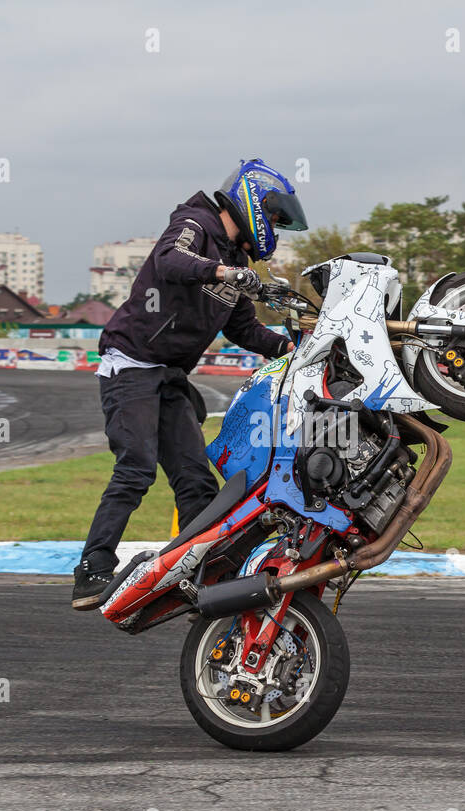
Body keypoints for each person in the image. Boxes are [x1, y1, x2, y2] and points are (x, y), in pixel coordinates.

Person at [72, 158, 307, 610]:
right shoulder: (194, 222)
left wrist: (295, 350)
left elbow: (244, 330)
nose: (274, 227)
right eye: (274, 216)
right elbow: (170, 260)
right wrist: (223, 272)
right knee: (136, 468)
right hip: (132, 365)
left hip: (171, 377)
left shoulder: (237, 262)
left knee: (196, 482)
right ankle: (91, 569)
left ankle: (194, 573)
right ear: (251, 200)